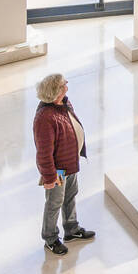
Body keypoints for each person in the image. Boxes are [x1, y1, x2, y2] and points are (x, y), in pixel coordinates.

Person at [32, 74, 94, 255]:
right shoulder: (44, 118)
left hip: (70, 163)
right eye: (63, 83)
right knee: (55, 202)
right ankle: (50, 238)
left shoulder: (64, 103)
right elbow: (43, 152)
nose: (67, 84)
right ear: (56, 90)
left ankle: (71, 229)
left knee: (70, 196)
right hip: (57, 170)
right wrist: (49, 177)